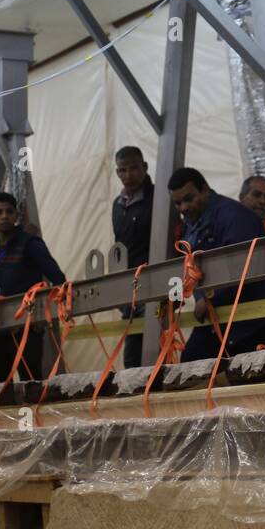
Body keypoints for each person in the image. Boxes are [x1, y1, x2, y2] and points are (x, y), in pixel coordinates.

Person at [169, 167, 265, 361]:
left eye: (188, 199)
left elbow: (244, 266)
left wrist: (210, 299)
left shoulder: (234, 216)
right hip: (221, 317)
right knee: (191, 367)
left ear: (205, 190)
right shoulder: (190, 223)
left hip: (254, 319)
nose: (184, 207)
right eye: (178, 203)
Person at [0, 192, 67, 382]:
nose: (4, 216)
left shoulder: (30, 244)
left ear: (17, 215)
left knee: (29, 381)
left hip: (26, 329)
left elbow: (57, 277)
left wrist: (55, 304)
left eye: (9, 211)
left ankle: (31, 412)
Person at [112, 146, 153, 368]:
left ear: (144, 167)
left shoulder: (159, 198)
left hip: (153, 281)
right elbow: (118, 248)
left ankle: (156, 399)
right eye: (123, 170)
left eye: (134, 168)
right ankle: (134, 398)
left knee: (153, 347)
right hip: (129, 286)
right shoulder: (117, 206)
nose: (129, 175)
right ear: (117, 172)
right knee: (132, 354)